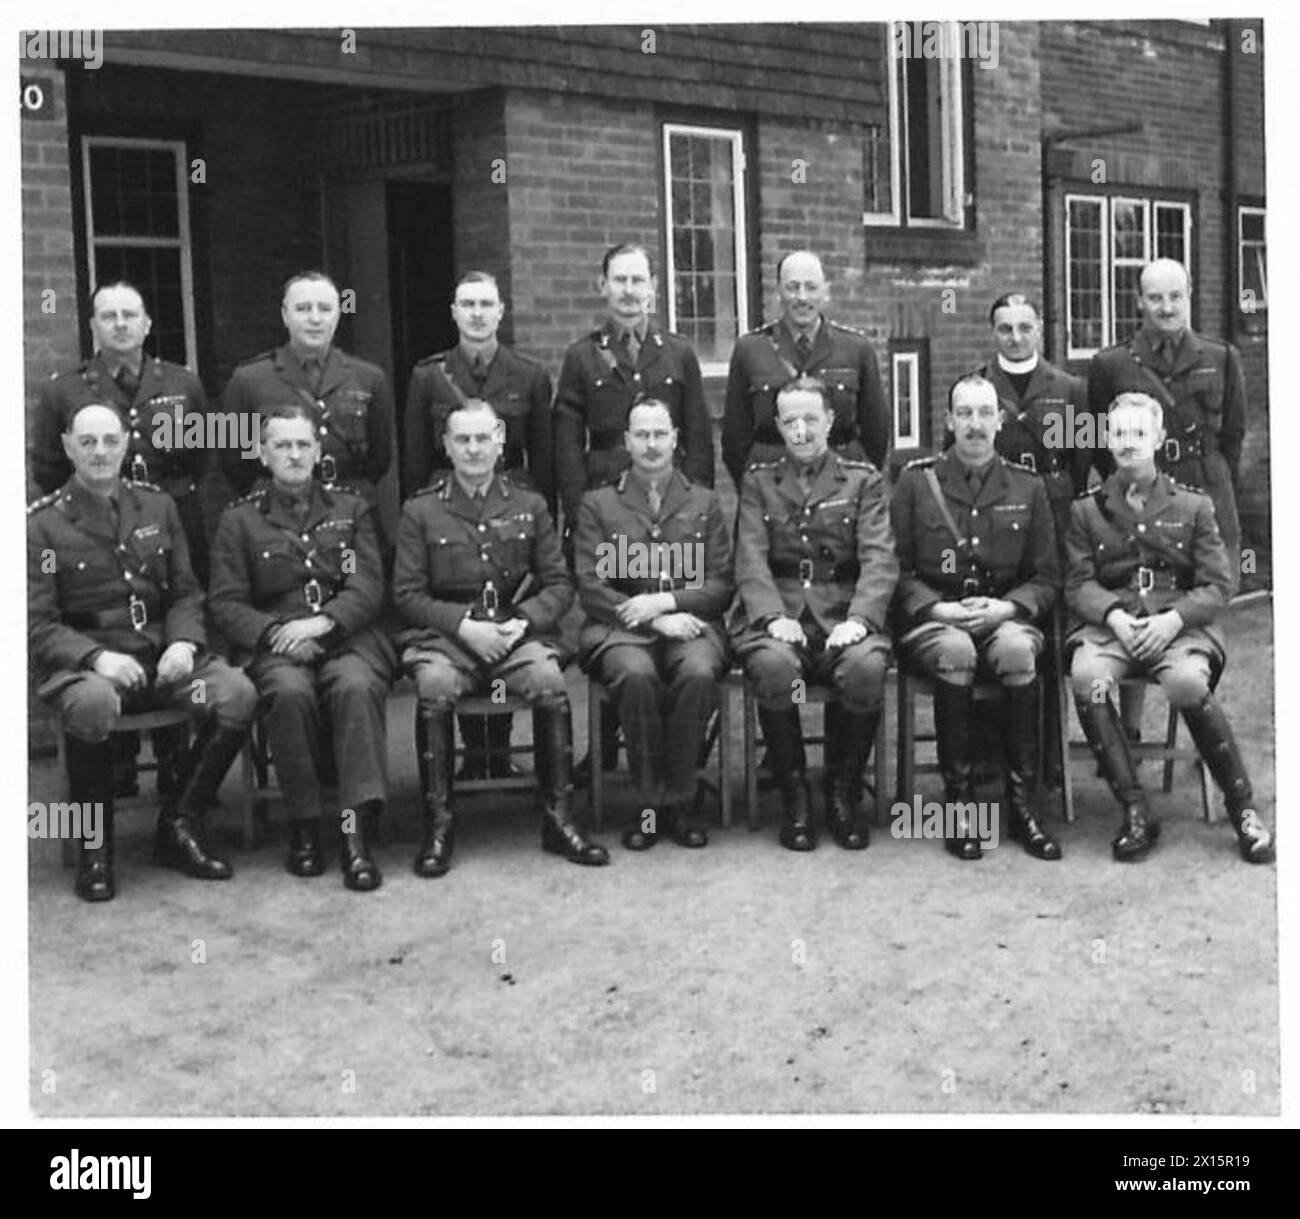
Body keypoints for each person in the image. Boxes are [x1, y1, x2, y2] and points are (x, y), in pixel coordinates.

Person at [28, 404, 256, 902]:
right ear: (67, 445)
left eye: (110, 440)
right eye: (87, 442)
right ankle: (96, 849)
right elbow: (36, 623)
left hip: (163, 664)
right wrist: (95, 659)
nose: (100, 452)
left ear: (127, 442)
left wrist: (182, 641)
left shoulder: (157, 508)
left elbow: (185, 592)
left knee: (234, 693)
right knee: (91, 705)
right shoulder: (42, 527)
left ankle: (177, 824)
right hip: (91, 672)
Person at [393, 399, 608, 875]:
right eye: (462, 440)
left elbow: (559, 583)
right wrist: (463, 626)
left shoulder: (529, 505)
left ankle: (558, 818)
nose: (474, 449)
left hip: (514, 632)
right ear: (446, 446)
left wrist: (524, 623)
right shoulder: (420, 511)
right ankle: (438, 825)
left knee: (548, 679)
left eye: (482, 438)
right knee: (434, 685)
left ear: (500, 442)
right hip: (448, 637)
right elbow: (406, 594)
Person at [1065, 392, 1273, 864]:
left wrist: (1174, 618)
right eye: (1119, 433)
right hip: (1110, 630)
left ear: (1158, 438)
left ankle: (1242, 808)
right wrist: (1114, 616)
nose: (1128, 443)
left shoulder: (1194, 506)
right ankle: (1135, 809)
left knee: (1184, 683)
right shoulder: (1087, 510)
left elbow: (1220, 584)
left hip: (1177, 629)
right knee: (1088, 681)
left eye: (1139, 433)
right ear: (1107, 439)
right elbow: (1077, 583)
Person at [208, 405, 395, 891]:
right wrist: (275, 634)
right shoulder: (240, 521)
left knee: (355, 686)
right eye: (283, 446)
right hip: (276, 643)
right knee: (289, 694)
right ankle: (305, 828)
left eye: (303, 445)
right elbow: (226, 603)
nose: (294, 455)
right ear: (262, 453)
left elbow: (366, 582)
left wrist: (325, 624)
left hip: (344, 635)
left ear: (318, 451)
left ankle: (356, 837)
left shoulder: (350, 510)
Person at [554, 243, 714, 780]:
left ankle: (673, 761)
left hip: (670, 508)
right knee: (620, 638)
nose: (628, 291)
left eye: (637, 281)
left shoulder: (678, 352)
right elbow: (565, 442)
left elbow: (697, 431)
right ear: (603, 287)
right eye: (618, 280)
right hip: (607, 503)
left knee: (675, 653)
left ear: (653, 289)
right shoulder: (581, 356)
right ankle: (603, 750)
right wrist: (578, 511)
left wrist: (697, 504)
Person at [891, 372, 1061, 861]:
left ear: (1001, 422)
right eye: (964, 414)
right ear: (948, 420)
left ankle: (1024, 806)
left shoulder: (1028, 488)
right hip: (937, 618)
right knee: (955, 649)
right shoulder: (915, 483)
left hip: (1003, 613)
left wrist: (1008, 608)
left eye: (985, 414)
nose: (975, 424)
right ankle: (961, 807)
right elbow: (894, 569)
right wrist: (936, 607)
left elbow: (1048, 577)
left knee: (1014, 649)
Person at [1086, 258, 1249, 749]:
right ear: (1138, 301)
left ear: (1190, 295)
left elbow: (1234, 436)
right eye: (1155, 297)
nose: (1166, 307)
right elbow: (1099, 438)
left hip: (1203, 491)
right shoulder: (1112, 364)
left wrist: (1210, 489)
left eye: (1175, 296)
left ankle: (1204, 731)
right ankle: (1128, 730)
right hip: (1136, 494)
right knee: (1138, 595)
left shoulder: (1220, 357)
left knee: (1202, 608)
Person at [732, 376, 897, 851]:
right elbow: (750, 556)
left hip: (842, 607)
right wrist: (769, 616)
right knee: (775, 666)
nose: (801, 430)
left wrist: (860, 619)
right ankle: (795, 795)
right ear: (779, 427)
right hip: (780, 608)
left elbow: (880, 558)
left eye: (810, 419)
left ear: (829, 420)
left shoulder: (862, 479)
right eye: (790, 421)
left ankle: (842, 792)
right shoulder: (759, 482)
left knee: (865, 668)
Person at [403, 270, 554, 782]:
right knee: (465, 614)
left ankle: (497, 751)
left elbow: (546, 457)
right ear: (453, 312)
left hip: (511, 514)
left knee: (505, 611)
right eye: (466, 303)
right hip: (451, 514)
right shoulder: (428, 376)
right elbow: (413, 459)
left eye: (486, 304)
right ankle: (469, 761)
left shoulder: (529, 374)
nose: (476, 313)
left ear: (501, 311)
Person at [573, 398, 734, 849]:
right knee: (636, 674)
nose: (651, 444)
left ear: (675, 440)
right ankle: (648, 807)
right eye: (641, 435)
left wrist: (668, 602)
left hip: (693, 623)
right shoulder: (598, 503)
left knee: (698, 673)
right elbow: (590, 584)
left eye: (660, 434)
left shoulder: (704, 502)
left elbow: (721, 582)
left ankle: (679, 802)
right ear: (626, 441)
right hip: (619, 627)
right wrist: (650, 619)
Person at [30, 282, 214, 582]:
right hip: (97, 523)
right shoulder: (63, 390)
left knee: (186, 598)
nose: (120, 324)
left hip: (176, 517)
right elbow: (47, 469)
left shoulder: (184, 385)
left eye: (129, 315)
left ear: (147, 324)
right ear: (93, 325)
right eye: (108, 316)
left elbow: (201, 458)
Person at [220, 272, 394, 504]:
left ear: (338, 314)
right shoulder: (247, 380)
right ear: (285, 315)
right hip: (275, 512)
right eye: (303, 308)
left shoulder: (369, 378)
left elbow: (380, 459)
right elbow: (233, 461)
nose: (315, 318)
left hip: (349, 509)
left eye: (325, 308)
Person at [722, 250, 890, 489]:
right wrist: (758, 489)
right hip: (770, 490)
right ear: (778, 292)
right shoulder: (750, 350)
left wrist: (855, 486)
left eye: (811, 287)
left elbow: (876, 435)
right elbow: (734, 440)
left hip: (842, 490)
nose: (802, 297)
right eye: (792, 287)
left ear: (825, 291)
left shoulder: (856, 349)